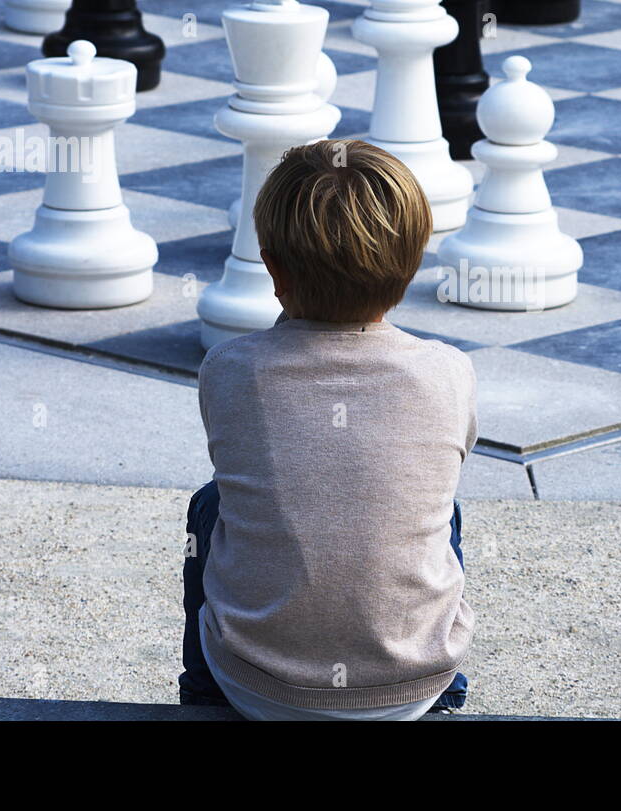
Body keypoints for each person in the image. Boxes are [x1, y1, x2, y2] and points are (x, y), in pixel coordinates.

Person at [179, 139, 476, 720]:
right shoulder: (448, 370)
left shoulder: (229, 367)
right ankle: (448, 698)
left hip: (256, 688)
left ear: (271, 269)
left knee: (211, 505)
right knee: (443, 510)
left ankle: (203, 698)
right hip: (409, 692)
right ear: (412, 265)